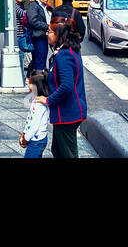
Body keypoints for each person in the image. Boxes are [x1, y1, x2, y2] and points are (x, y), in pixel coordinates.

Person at [40, 18, 87, 158]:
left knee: (67, 153)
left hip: (67, 113)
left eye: (50, 31)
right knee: (58, 150)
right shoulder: (68, 51)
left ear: (59, 35)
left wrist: (48, 100)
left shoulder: (64, 56)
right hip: (68, 112)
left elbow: (66, 87)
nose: (47, 34)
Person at [20, 71, 51, 158]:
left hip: (36, 141)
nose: (28, 85)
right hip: (37, 140)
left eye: (30, 83)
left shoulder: (39, 105)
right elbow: (30, 119)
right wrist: (24, 133)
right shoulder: (37, 100)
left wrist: (26, 138)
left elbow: (34, 125)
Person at [26, 0, 51, 75]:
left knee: (40, 58)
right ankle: (38, 79)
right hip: (38, 36)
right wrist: (46, 27)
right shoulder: (34, 6)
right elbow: (33, 21)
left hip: (43, 36)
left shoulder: (43, 6)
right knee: (39, 59)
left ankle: (32, 77)